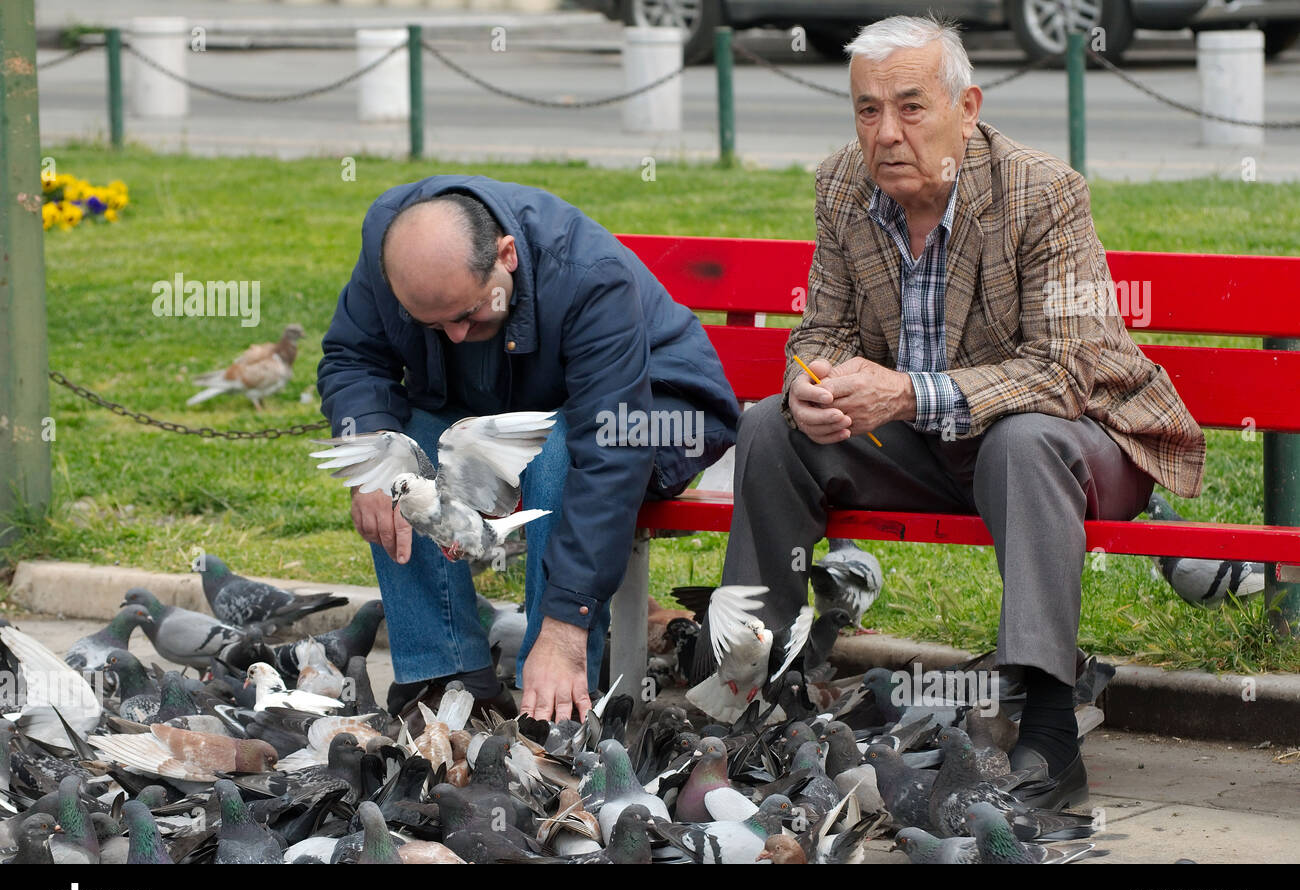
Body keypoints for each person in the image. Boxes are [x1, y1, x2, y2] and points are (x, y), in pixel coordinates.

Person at [716, 16, 1204, 806]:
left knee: (1023, 440)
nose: (886, 133)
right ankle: (760, 692)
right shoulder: (844, 184)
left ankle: (1048, 728)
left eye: (911, 107)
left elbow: (1064, 370)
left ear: (966, 107)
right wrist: (808, 378)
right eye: (867, 110)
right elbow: (824, 326)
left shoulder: (1042, 192)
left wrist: (907, 392)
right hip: (935, 449)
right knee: (769, 427)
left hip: (1084, 441)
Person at [318, 178, 740, 723]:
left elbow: (608, 456)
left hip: (654, 411)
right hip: (522, 408)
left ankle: (558, 697)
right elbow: (353, 360)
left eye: (469, 314)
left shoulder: (589, 276)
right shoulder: (392, 250)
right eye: (432, 323)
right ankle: (446, 680)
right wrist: (368, 453)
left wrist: (566, 623)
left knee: (557, 452)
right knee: (394, 452)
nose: (452, 335)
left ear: (507, 256)